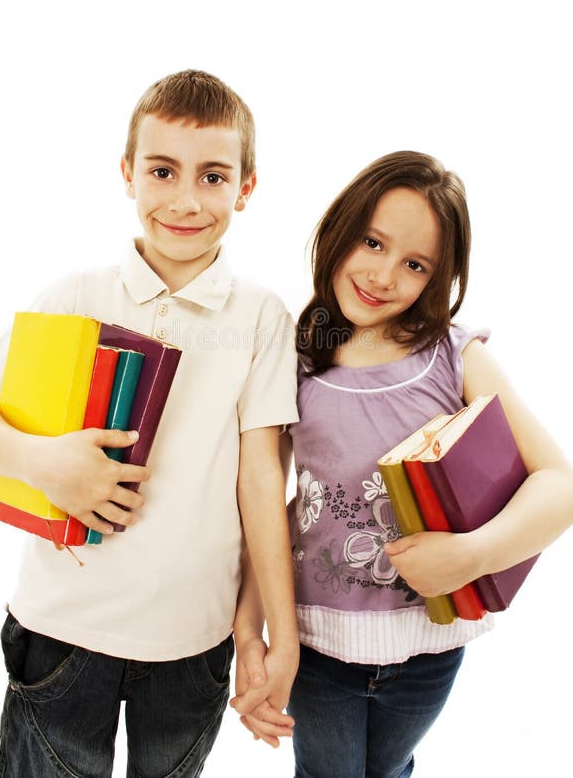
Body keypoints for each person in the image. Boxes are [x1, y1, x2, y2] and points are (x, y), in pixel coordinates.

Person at [0, 70, 300, 777]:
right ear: (128, 174)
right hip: (61, 629)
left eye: (213, 177)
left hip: (194, 642)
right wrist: (41, 462)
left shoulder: (261, 317)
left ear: (246, 187)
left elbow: (261, 480)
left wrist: (273, 633)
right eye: (162, 170)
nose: (186, 200)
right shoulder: (75, 296)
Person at [232, 150, 573, 777]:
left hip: (431, 650)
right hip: (317, 648)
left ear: (438, 279)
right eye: (372, 242)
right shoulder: (297, 358)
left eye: (414, 264)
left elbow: (559, 485)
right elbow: (275, 506)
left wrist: (473, 556)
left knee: (389, 771)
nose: (384, 275)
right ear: (340, 230)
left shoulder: (452, 356)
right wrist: (250, 632)